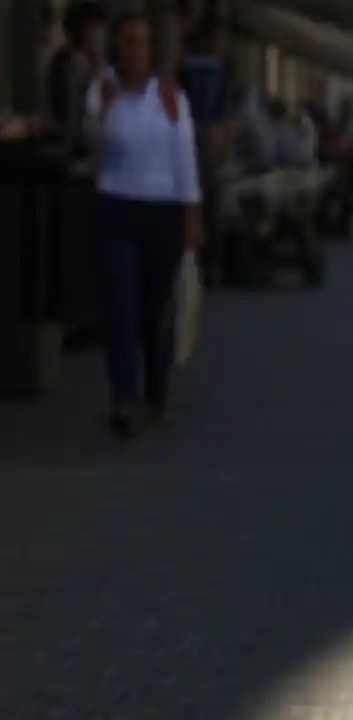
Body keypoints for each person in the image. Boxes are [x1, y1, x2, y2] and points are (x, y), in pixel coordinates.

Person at [85, 12, 202, 438]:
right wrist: (103, 112)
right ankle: (123, 396)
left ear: (152, 51)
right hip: (116, 205)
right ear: (118, 48)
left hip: (163, 210)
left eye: (143, 43)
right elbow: (90, 146)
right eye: (129, 42)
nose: (136, 51)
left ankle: (156, 391)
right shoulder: (103, 91)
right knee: (120, 306)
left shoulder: (169, 97)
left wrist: (191, 217)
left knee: (155, 309)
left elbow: (184, 159)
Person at [46, 0, 108, 156]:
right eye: (92, 29)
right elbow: (64, 116)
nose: (98, 35)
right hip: (77, 150)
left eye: (100, 29)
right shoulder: (64, 64)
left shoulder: (107, 64)